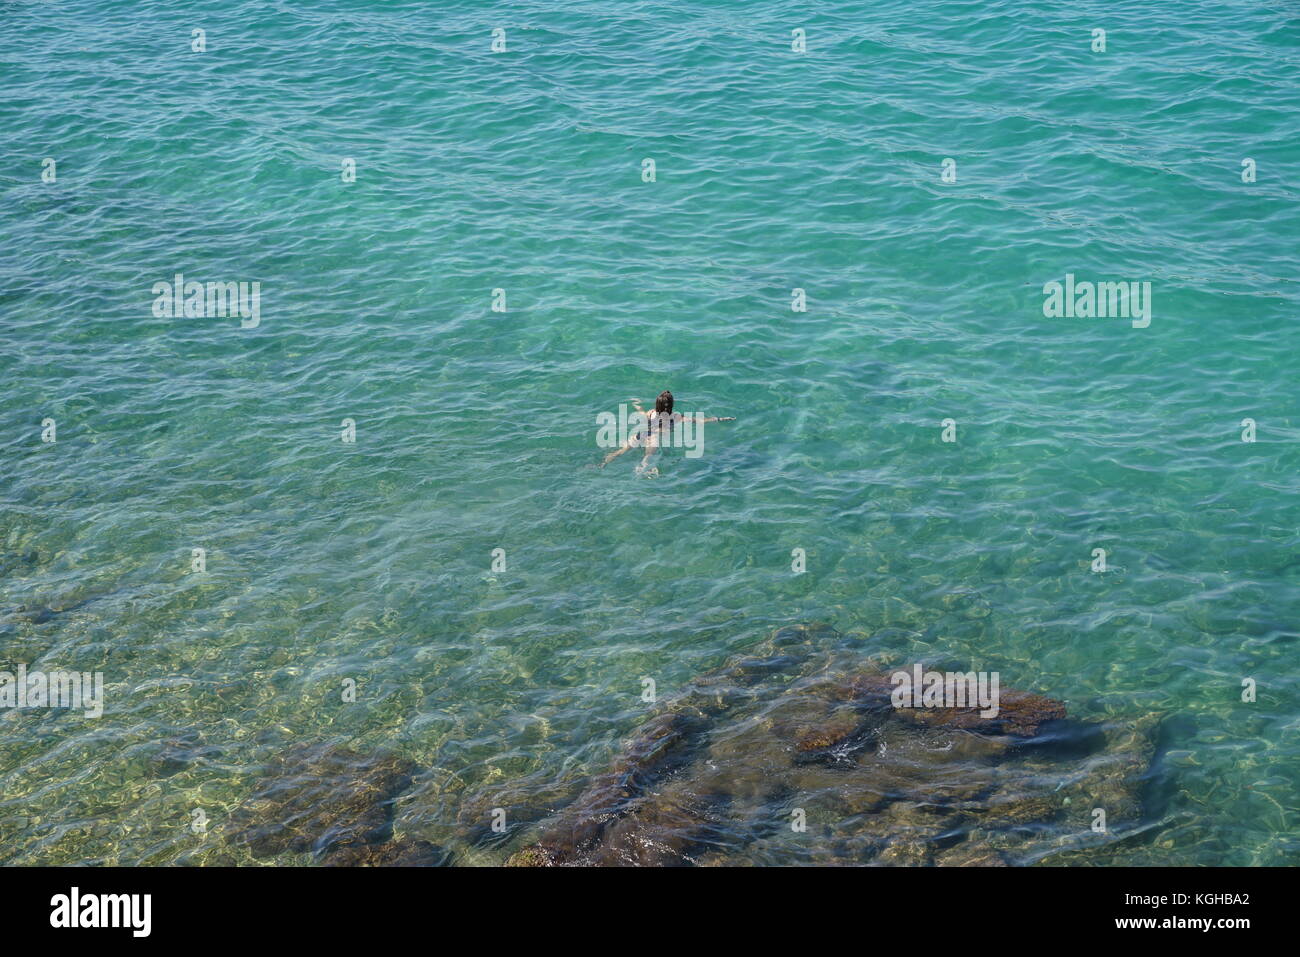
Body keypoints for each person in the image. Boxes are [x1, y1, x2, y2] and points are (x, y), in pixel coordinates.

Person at [598, 390, 734, 474]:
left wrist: (637, 404)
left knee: (621, 451)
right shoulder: (676, 417)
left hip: (642, 434)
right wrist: (719, 419)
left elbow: (641, 414)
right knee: (647, 458)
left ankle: (603, 464)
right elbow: (698, 421)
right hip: (654, 439)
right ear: (672, 405)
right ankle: (640, 472)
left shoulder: (651, 412)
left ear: (657, 404)